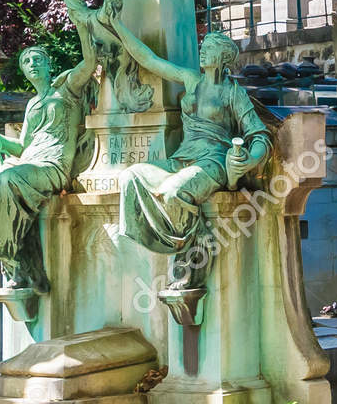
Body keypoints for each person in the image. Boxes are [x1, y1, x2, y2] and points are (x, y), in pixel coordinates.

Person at [109, 22, 271, 293]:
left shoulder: (233, 93)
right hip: (183, 157)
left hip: (213, 161)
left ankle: (197, 244)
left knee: (173, 193)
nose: (203, 51)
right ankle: (179, 240)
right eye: (203, 47)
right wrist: (117, 27)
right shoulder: (191, 79)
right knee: (131, 176)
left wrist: (250, 160)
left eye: (210, 48)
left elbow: (260, 135)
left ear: (224, 57)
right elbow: (148, 59)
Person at [0, 27, 100, 293]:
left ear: (49, 65)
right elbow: (22, 146)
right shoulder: (32, 104)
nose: (32, 64)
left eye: (37, 59)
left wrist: (82, 22)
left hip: (53, 165)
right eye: (26, 62)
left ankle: (13, 259)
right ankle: (21, 252)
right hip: (28, 163)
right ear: (24, 72)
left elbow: (90, 62)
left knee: (6, 179)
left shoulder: (67, 89)